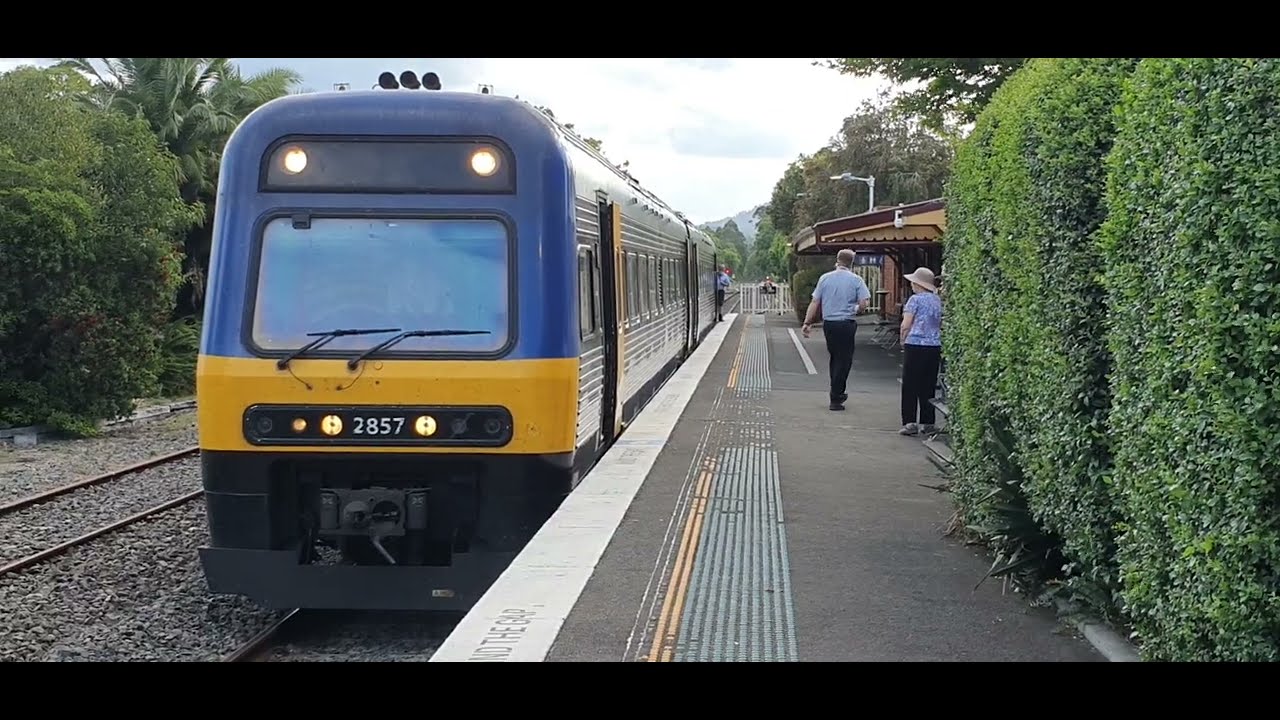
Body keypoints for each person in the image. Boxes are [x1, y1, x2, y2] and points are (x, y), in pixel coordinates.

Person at [802, 249, 870, 411]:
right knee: (844, 359)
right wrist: (855, 309)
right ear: (851, 263)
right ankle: (836, 395)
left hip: (829, 324)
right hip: (846, 323)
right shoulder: (856, 280)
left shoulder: (824, 278)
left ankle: (836, 390)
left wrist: (807, 322)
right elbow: (864, 303)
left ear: (837, 260)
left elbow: (815, 302)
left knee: (835, 357)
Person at [898, 267, 943, 435]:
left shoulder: (914, 300)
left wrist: (903, 338)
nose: (911, 285)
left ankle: (910, 422)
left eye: (913, 282)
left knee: (910, 384)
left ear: (918, 284)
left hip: (915, 344)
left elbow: (906, 323)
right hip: (934, 345)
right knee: (928, 384)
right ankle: (928, 422)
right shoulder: (937, 300)